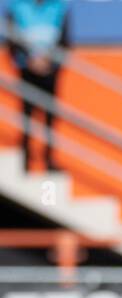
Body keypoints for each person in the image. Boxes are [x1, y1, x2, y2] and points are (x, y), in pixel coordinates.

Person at [6, 0, 70, 172]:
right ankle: (25, 158)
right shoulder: (17, 7)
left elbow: (65, 40)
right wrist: (30, 60)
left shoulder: (59, 7)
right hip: (27, 70)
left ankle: (48, 159)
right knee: (27, 114)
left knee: (49, 116)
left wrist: (49, 62)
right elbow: (12, 39)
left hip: (51, 71)